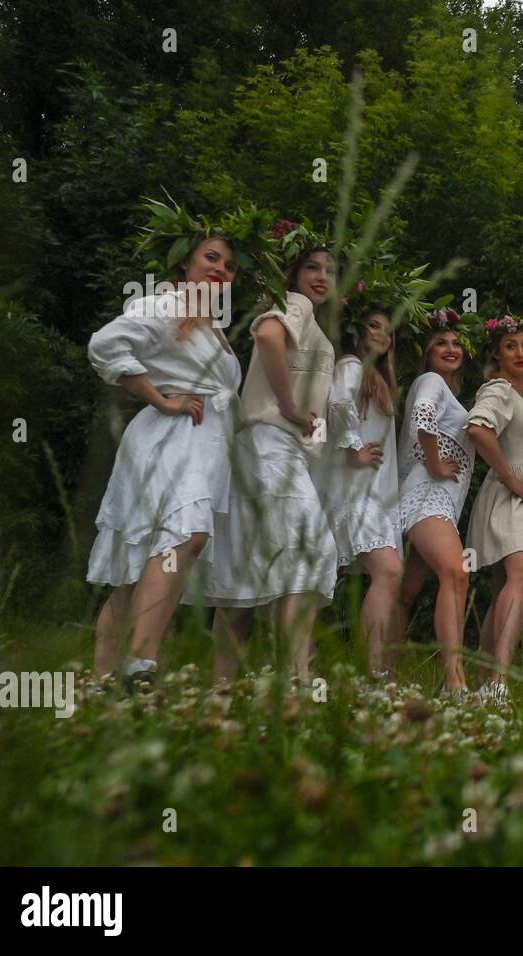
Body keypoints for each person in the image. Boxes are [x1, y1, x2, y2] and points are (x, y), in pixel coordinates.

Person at [87, 198, 275, 691]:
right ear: (186, 260)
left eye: (230, 266)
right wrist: (160, 398)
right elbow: (106, 345)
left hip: (207, 445)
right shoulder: (166, 303)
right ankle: (141, 664)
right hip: (173, 437)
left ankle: (101, 677)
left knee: (142, 564)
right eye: (212, 258)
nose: (221, 269)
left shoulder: (210, 325)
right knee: (183, 536)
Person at [207, 223, 340, 685]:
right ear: (293, 272)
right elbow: (266, 337)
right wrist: (288, 406)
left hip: (271, 448)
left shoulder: (312, 321)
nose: (322, 276)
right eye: (312, 267)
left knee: (247, 566)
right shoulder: (293, 306)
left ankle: (221, 687)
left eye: (330, 270)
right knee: (309, 547)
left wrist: (313, 437)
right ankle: (298, 678)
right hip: (269, 440)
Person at [464, 311, 523, 704]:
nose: (520, 352)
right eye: (510, 346)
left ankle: (482, 680)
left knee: (506, 586)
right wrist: (511, 478)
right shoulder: (498, 388)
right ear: (497, 354)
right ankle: (499, 681)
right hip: (509, 495)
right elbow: (478, 429)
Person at [316, 304, 403, 677]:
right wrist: (353, 450)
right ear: (358, 330)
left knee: (379, 575)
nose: (382, 334)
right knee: (389, 571)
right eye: (373, 325)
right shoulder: (351, 365)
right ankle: (372, 669)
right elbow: (337, 404)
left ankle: (365, 666)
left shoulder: (380, 379)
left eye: (388, 329)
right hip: (354, 491)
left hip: (376, 493)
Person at [395, 309, 477, 696]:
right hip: (428, 494)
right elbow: (422, 417)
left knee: (406, 591)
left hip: (434, 498)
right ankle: (453, 681)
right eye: (440, 343)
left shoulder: (449, 392)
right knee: (457, 574)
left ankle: (383, 675)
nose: (450, 348)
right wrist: (433, 462)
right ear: (425, 353)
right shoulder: (431, 382)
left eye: (456, 343)